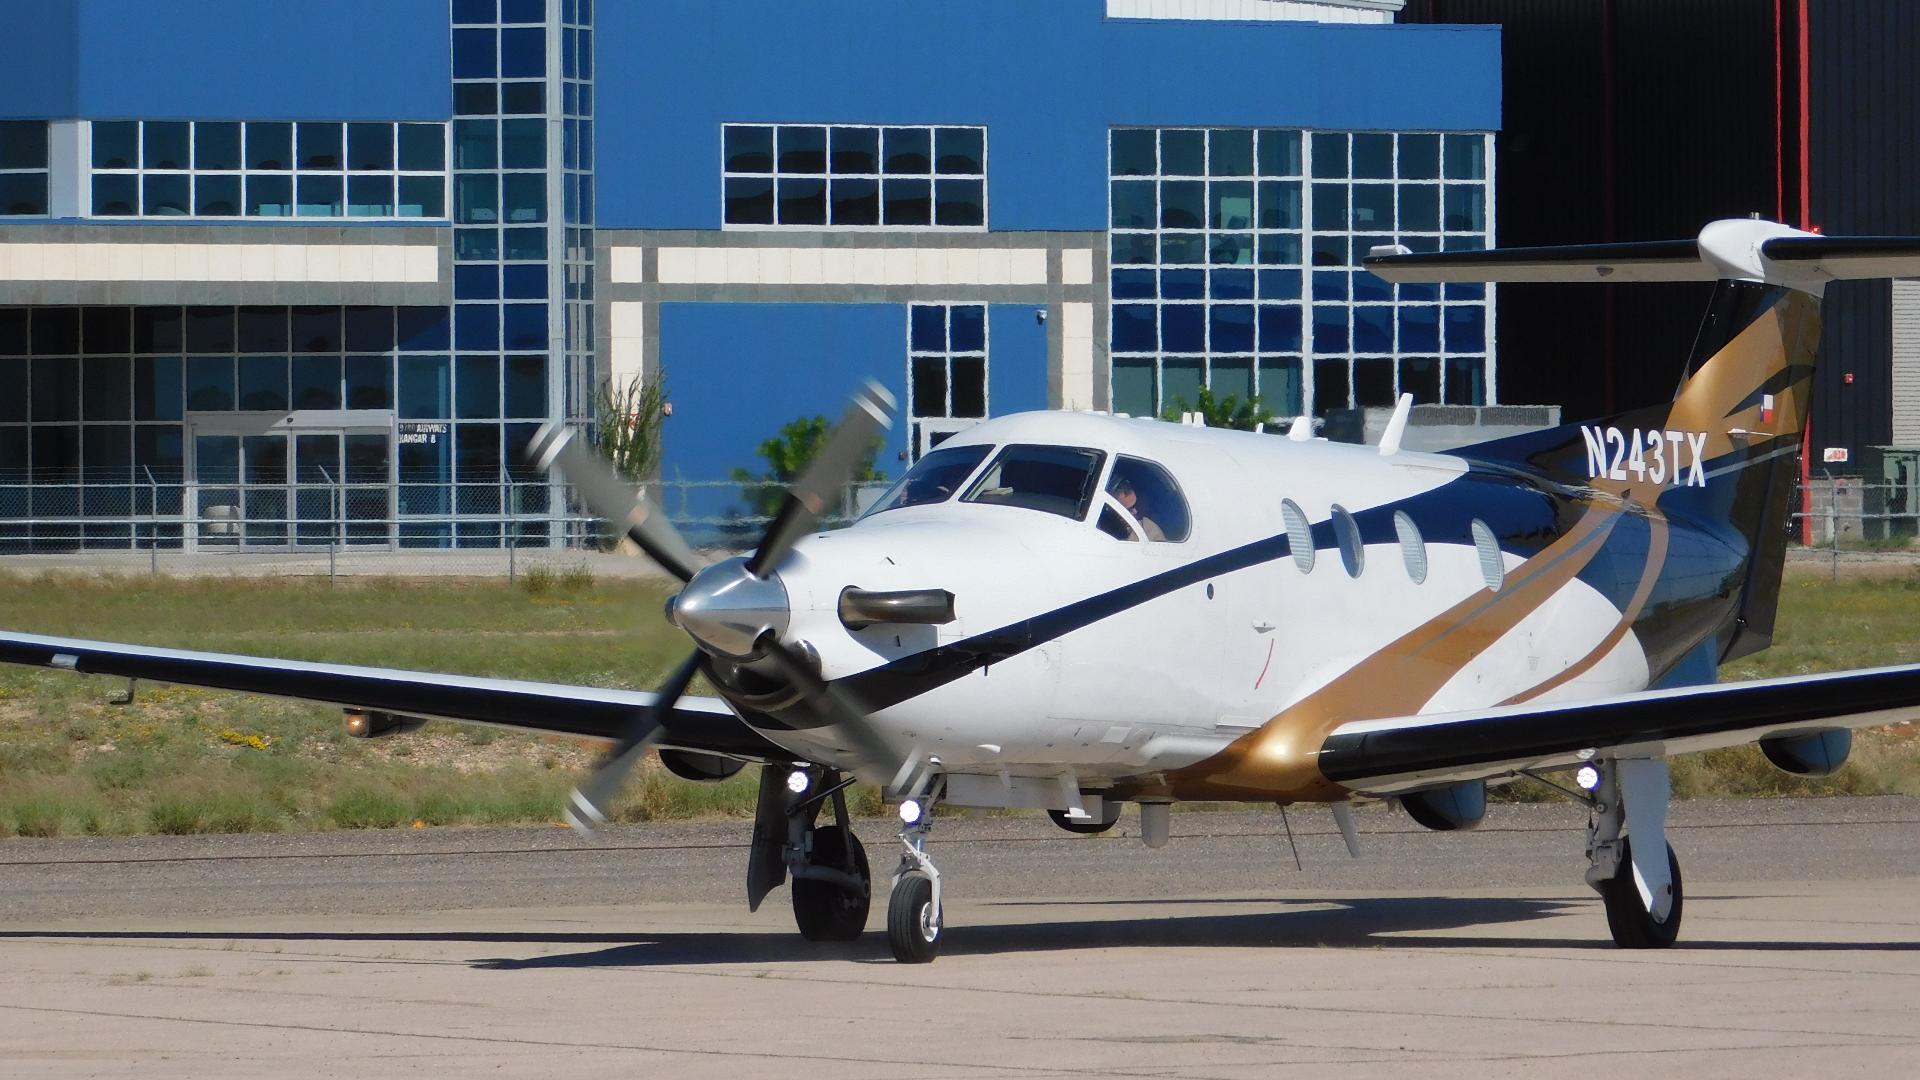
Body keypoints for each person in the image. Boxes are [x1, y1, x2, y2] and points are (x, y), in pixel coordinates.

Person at [1110, 476, 1164, 541]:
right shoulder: (1101, 531)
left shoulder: (1149, 531)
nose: (1135, 511)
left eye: (1135, 505)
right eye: (1129, 510)